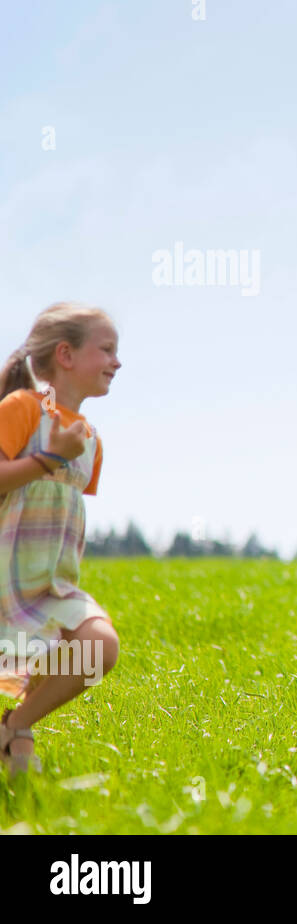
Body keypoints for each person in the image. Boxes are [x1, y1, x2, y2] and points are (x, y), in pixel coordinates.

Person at [0, 302, 122, 777]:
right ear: (66, 354)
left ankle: (16, 724)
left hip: (53, 584)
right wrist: (51, 456)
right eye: (106, 349)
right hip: (5, 578)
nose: (117, 361)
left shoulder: (89, 438)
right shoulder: (22, 409)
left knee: (99, 647)